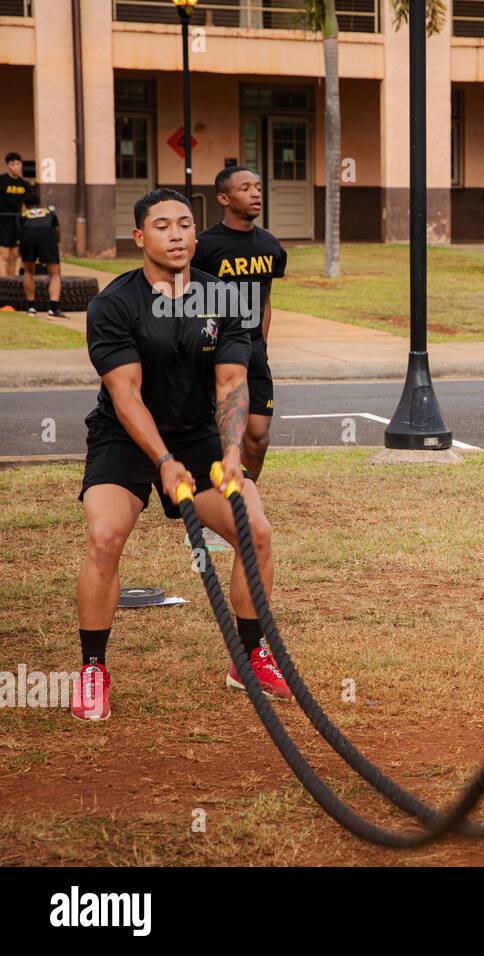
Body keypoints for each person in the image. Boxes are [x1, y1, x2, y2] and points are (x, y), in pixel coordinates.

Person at [71, 188, 289, 722]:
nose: (176, 235)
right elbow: (125, 395)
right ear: (139, 237)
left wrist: (232, 451)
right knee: (105, 537)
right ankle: (92, 668)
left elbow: (233, 381)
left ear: (197, 233)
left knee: (254, 531)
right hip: (126, 435)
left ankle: (250, 657)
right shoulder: (114, 304)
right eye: (162, 225)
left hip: (198, 437)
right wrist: (162, 460)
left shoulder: (225, 299)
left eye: (185, 225)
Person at [191, 165, 287, 482]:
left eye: (258, 186)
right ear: (223, 197)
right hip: (214, 352)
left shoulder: (271, 246)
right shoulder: (202, 247)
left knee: (257, 436)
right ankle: (217, 501)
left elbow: (266, 300)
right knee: (218, 434)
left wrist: (262, 343)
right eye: (245, 188)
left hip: (254, 351)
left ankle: (245, 491)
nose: (256, 193)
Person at [18, 195, 64, 316]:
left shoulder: (23, 214)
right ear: (39, 204)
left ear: (25, 205)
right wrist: (55, 244)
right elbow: (57, 230)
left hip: (28, 235)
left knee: (28, 271)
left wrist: (22, 253)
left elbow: (19, 233)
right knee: (54, 273)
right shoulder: (48, 211)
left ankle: (31, 308)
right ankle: (53, 309)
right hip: (47, 235)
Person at [0, 152, 34, 278]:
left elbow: (28, 205)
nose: (15, 166)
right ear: (8, 166)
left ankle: (11, 282)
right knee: (4, 255)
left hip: (17, 221)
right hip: (2, 219)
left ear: (21, 165)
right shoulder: (2, 180)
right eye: (12, 164)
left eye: (18, 164)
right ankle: (3, 283)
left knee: (14, 255)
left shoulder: (24, 185)